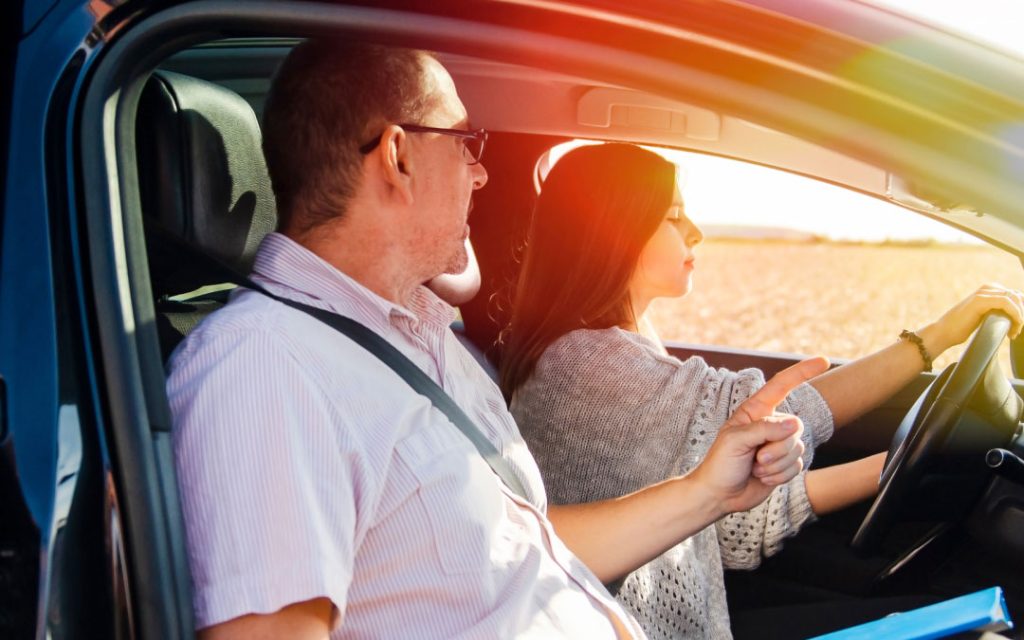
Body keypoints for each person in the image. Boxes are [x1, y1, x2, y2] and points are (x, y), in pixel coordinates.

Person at [167, 40, 824, 639]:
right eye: (464, 143)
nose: (479, 174)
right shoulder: (266, 365)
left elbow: (516, 549)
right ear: (398, 157)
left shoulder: (428, 339)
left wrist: (707, 491)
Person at [499, 142, 1024, 639]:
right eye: (674, 216)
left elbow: (733, 517)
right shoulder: (588, 363)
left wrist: (903, 461)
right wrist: (937, 338)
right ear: (614, 231)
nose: (696, 233)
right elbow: (783, 414)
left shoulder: (609, 346)